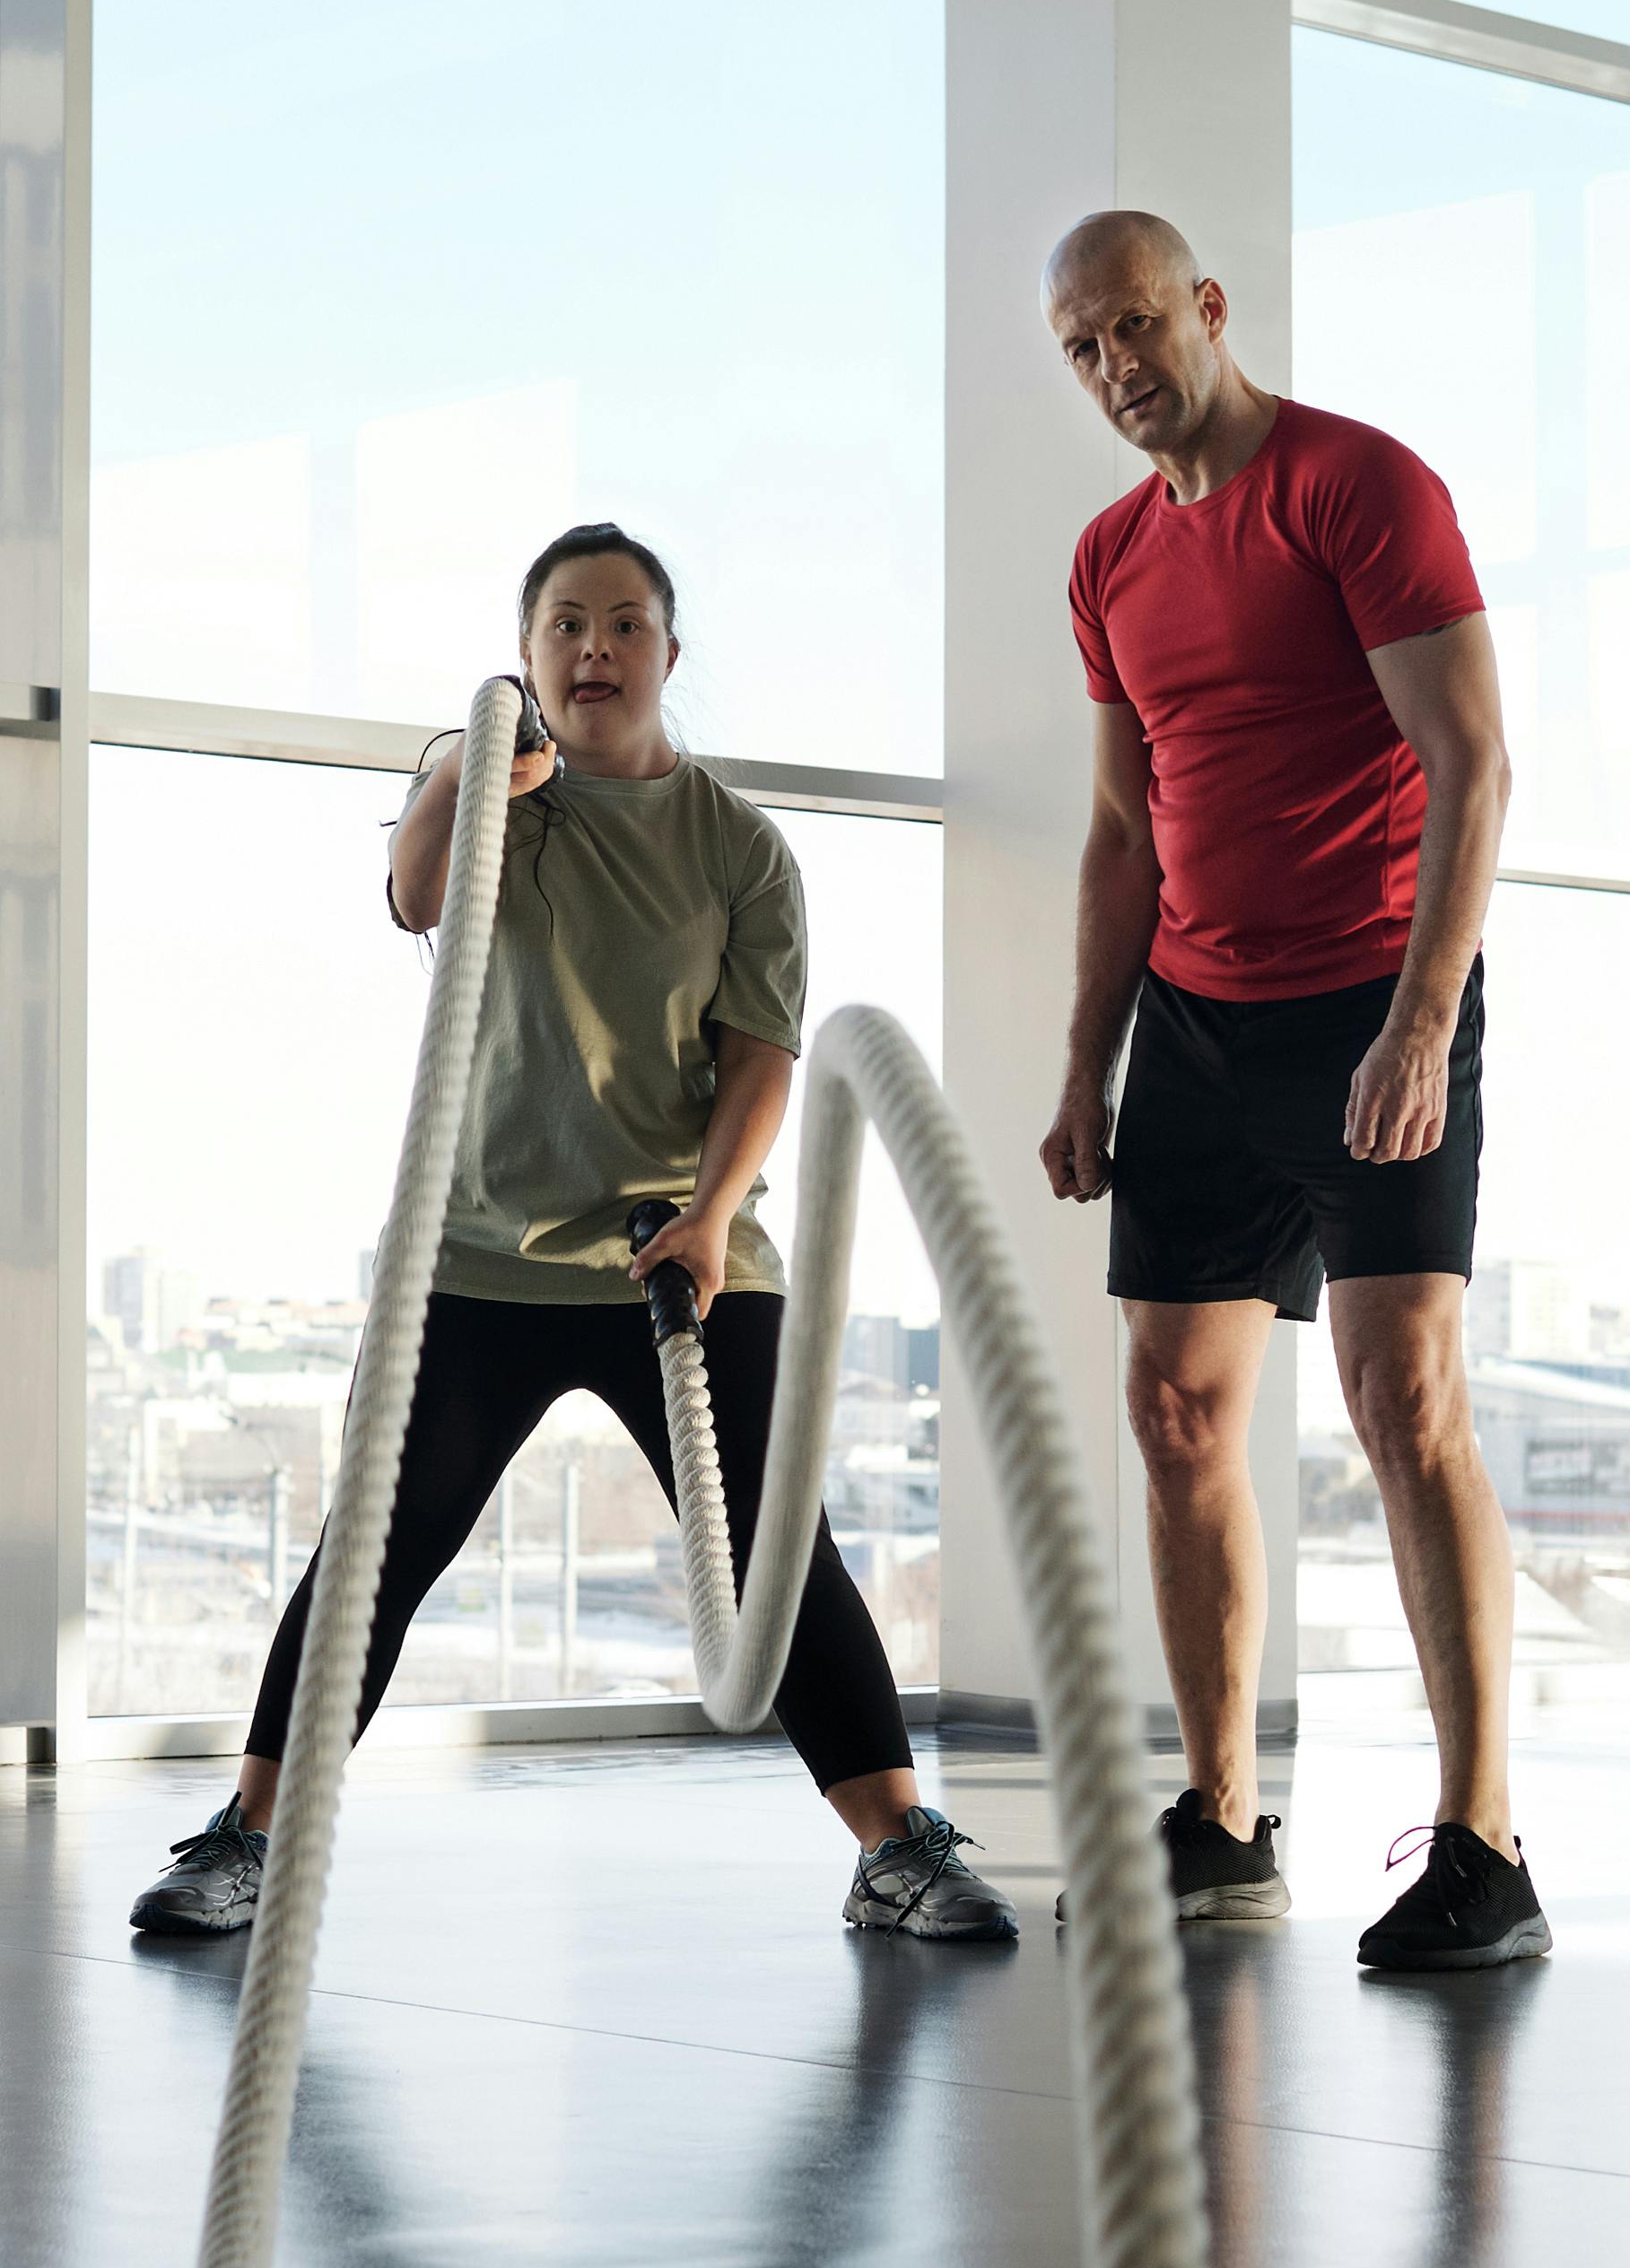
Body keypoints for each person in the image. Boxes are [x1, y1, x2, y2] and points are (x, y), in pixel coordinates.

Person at [132, 522, 1017, 1946]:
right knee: (377, 1548)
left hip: (680, 1251)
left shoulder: (740, 848)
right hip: (476, 1258)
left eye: (622, 624)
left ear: (669, 653)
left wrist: (718, 1217)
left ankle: (896, 1847)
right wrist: (464, 775)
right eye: (565, 625)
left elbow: (760, 1058)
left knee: (786, 1560)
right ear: (529, 650)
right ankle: (247, 1840)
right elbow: (416, 897)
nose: (593, 648)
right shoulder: (492, 798)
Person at [1034, 208, 1551, 1973]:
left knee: (1401, 1399)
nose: (1115, 368)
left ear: (1207, 307)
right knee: (1176, 1413)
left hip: (1372, 999)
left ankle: (1486, 1843)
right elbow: (1124, 831)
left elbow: (1470, 761)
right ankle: (1223, 1817)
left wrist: (1424, 1018)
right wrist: (1086, 1064)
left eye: (1131, 326)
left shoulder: (1356, 487)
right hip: (1194, 1019)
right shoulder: (1109, 557)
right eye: (1081, 349)